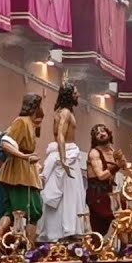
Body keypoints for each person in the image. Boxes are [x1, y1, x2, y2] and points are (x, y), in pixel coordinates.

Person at [0, 94, 45, 237]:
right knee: (33, 211)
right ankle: (27, 247)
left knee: (12, 212)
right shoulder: (21, 122)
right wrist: (23, 156)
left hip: (26, 173)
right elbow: (5, 142)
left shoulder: (28, 124)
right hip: (20, 174)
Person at [39, 83, 85, 242]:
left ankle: (67, 229)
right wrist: (64, 159)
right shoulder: (65, 113)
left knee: (70, 194)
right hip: (66, 155)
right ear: (69, 95)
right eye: (76, 93)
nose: (78, 95)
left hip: (67, 154)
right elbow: (60, 135)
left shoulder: (62, 112)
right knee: (67, 196)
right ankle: (66, 230)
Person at [86, 124, 125, 236]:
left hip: (109, 193)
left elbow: (125, 168)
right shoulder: (94, 153)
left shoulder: (112, 151)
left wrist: (122, 161)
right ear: (94, 138)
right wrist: (117, 166)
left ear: (108, 133)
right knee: (116, 217)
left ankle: (125, 248)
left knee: (123, 214)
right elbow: (101, 176)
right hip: (97, 195)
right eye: (97, 133)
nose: (101, 134)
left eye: (103, 131)